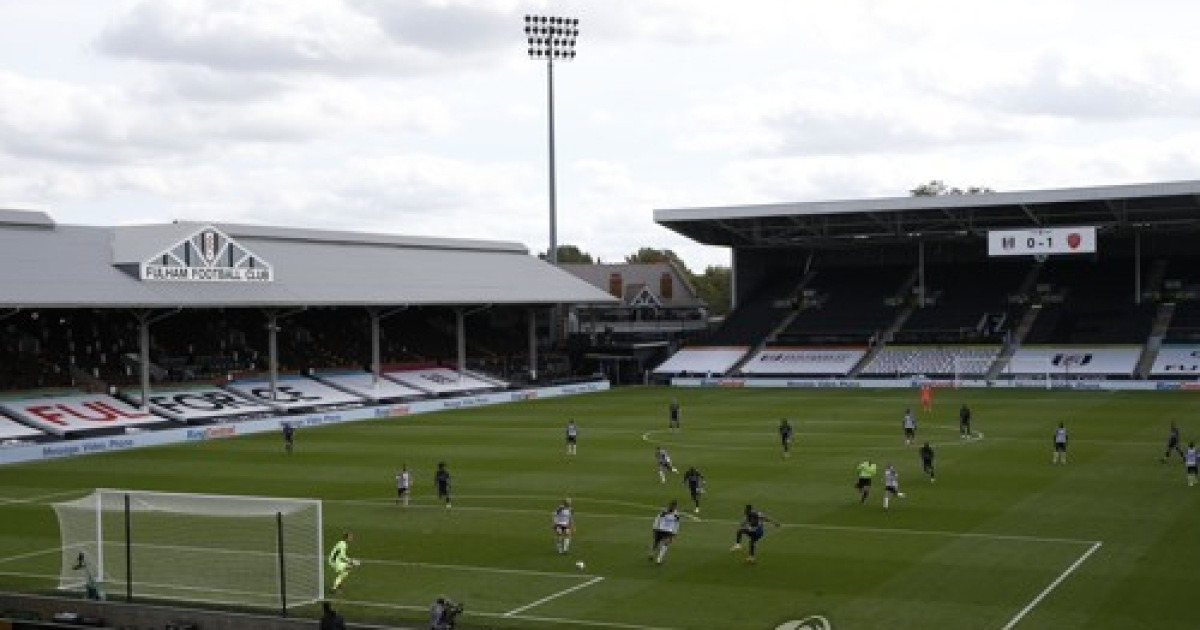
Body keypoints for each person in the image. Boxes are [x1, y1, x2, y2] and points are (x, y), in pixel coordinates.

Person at [648, 499, 682, 564]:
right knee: (657, 543)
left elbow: (677, 523)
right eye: (672, 505)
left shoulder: (676, 514)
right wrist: (654, 527)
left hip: (667, 531)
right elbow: (657, 518)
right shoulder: (664, 512)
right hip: (662, 529)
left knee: (664, 543)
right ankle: (653, 555)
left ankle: (658, 559)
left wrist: (675, 532)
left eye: (674, 506)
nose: (673, 507)